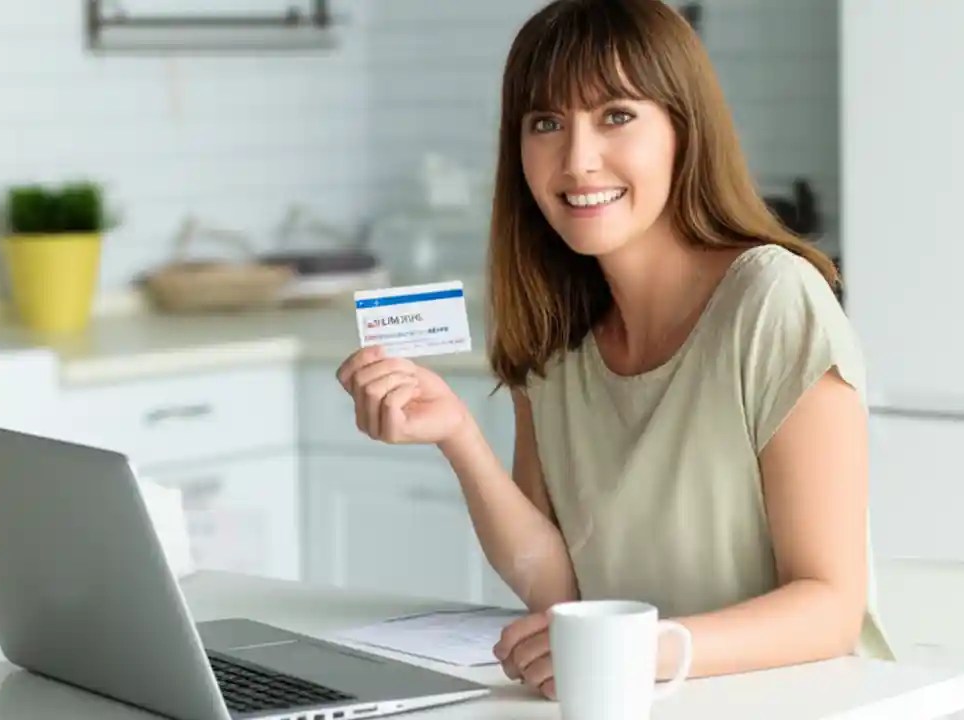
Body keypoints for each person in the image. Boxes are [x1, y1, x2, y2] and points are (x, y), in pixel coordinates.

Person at [336, 0, 893, 700]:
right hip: (631, 699)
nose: (577, 160)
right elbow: (561, 584)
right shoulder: (556, 328)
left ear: (683, 132)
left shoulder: (773, 301)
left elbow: (831, 607)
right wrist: (458, 437)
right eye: (546, 123)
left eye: (617, 116)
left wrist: (642, 650)